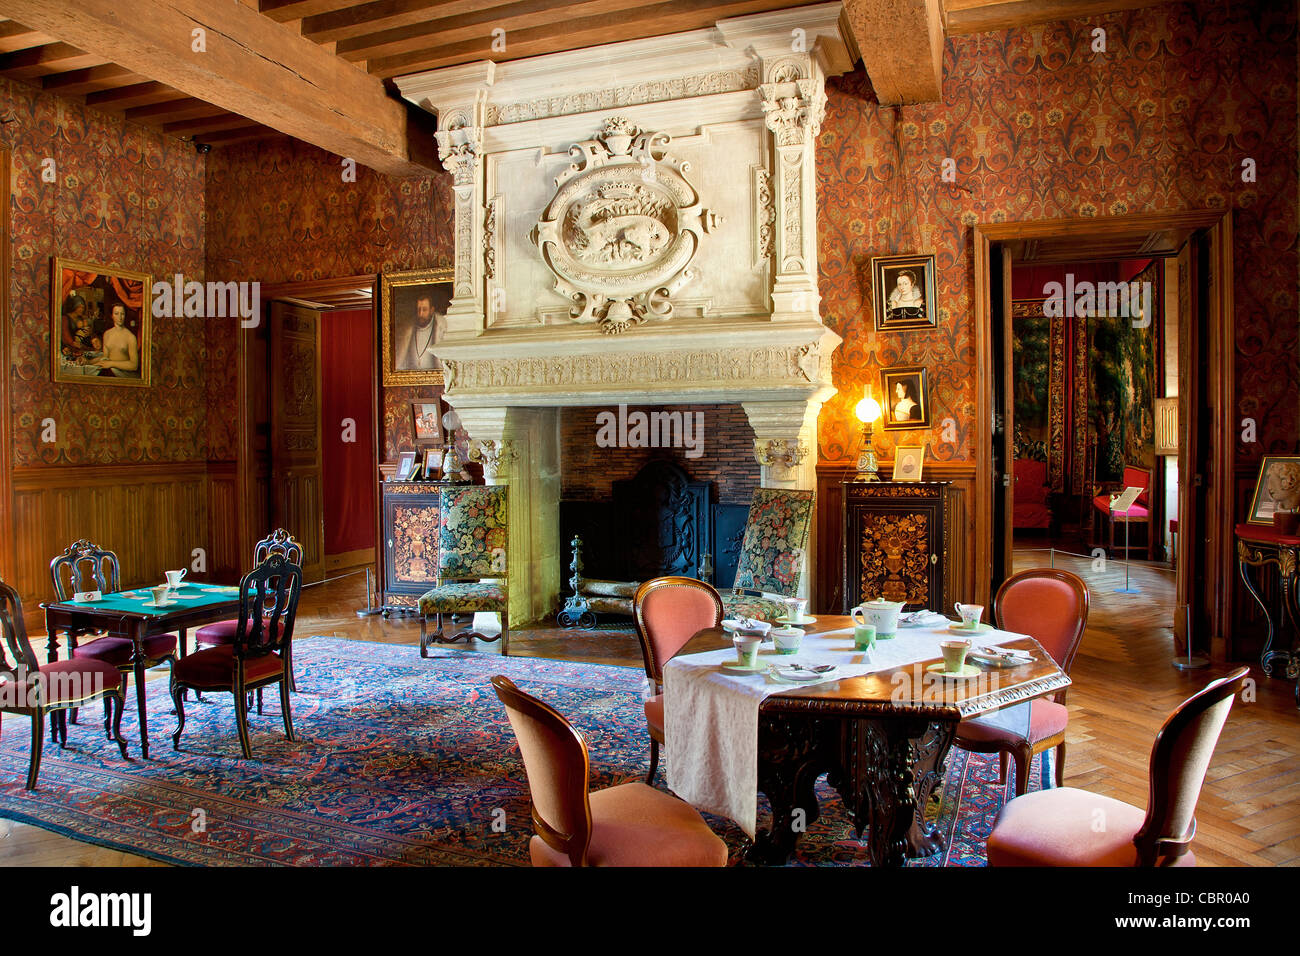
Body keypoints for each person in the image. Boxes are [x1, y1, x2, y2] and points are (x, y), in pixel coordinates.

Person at [394, 291, 447, 371]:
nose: (420, 314)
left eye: (424, 310)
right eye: (419, 309)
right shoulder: (408, 330)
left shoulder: (442, 326)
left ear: (431, 310)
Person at [93, 303, 140, 377]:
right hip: (109, 372)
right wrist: (88, 362)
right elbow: (105, 357)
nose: (120, 317)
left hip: (124, 375)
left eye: (122, 314)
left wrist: (111, 363)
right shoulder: (107, 334)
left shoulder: (130, 337)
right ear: (112, 316)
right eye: (116, 314)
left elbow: (134, 365)